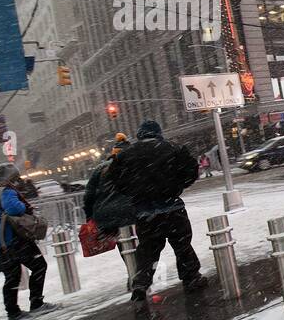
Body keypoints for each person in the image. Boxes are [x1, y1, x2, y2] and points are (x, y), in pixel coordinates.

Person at [107, 119, 205, 299]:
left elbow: (114, 179)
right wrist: (177, 186)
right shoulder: (173, 148)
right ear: (158, 133)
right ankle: (191, 278)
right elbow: (192, 170)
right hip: (172, 208)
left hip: (145, 213)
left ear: (140, 135)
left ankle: (140, 284)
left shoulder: (126, 155)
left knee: (148, 251)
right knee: (182, 245)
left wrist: (134, 193)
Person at [0, 163, 52, 320]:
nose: (17, 181)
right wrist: (25, 205)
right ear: (10, 178)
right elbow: (14, 209)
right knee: (39, 265)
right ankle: (36, 303)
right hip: (12, 240)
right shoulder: (5, 191)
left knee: (12, 276)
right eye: (15, 178)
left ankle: (13, 312)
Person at [83, 134, 137, 279]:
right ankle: (138, 273)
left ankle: (132, 272)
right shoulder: (133, 166)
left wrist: (89, 215)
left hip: (107, 214)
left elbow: (88, 195)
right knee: (137, 240)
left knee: (122, 242)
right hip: (131, 211)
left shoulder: (101, 168)